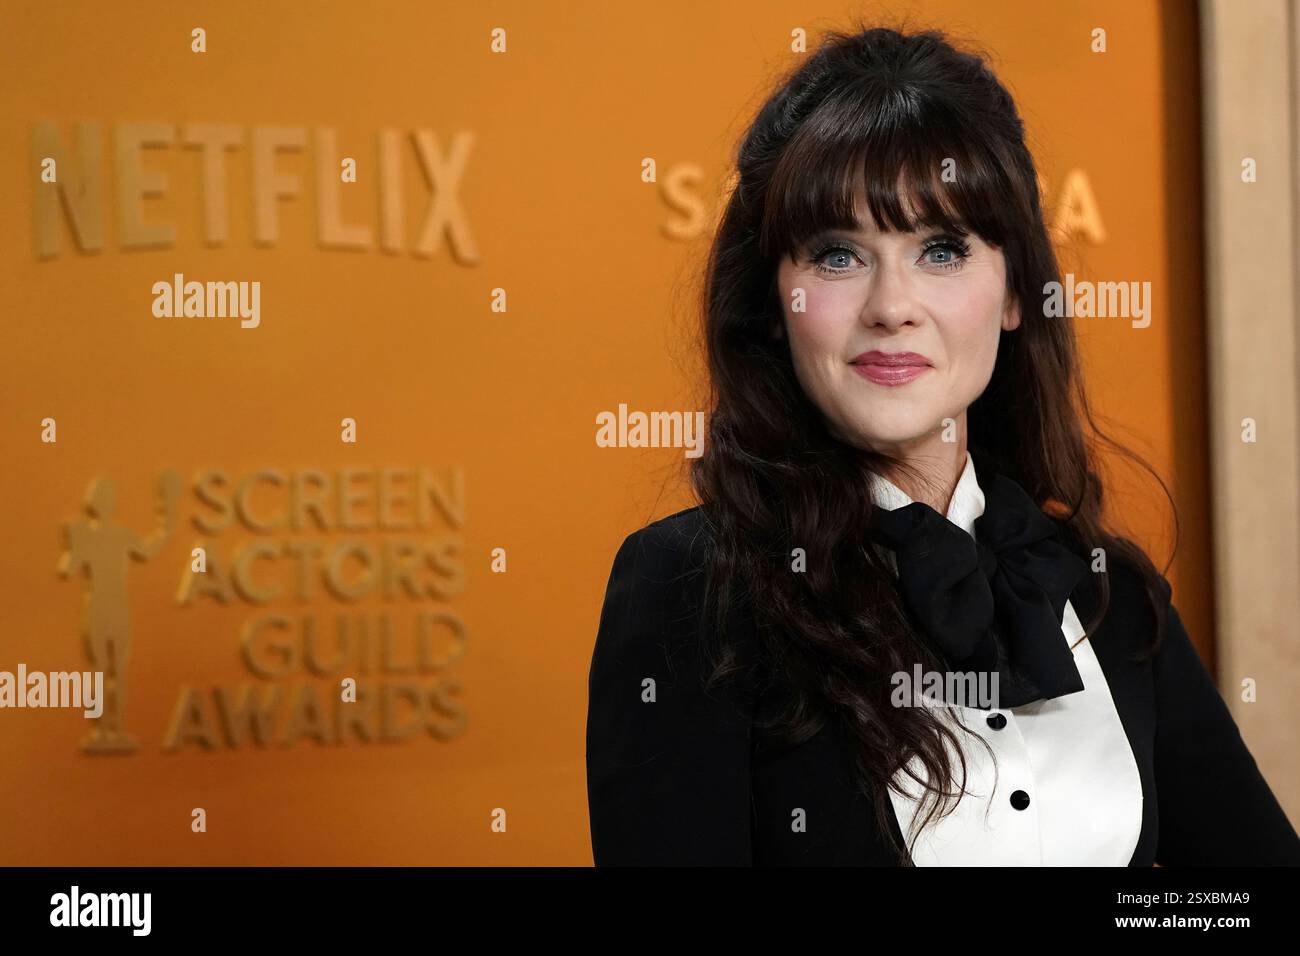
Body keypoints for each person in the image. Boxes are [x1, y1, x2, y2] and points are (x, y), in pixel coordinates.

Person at [584, 25, 1300, 866]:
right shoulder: (692, 589)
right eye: (840, 254)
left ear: (1013, 295)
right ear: (775, 302)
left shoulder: (1111, 592)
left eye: (942, 249)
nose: (893, 305)